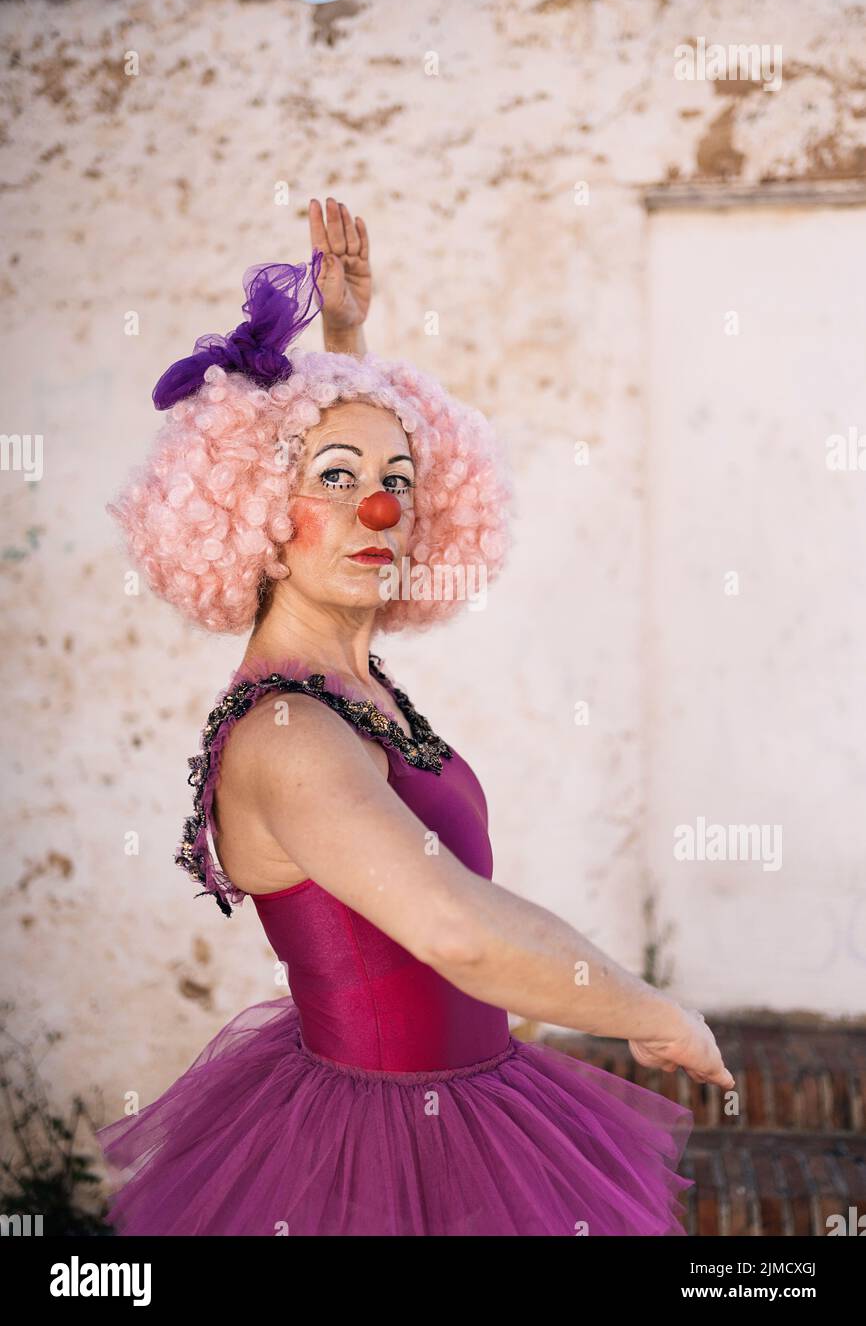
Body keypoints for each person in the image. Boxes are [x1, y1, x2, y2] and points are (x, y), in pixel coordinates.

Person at [95, 197, 733, 1236]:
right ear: (255, 512)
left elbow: (350, 450)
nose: (378, 510)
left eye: (398, 483)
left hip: (470, 1098)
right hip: (377, 1153)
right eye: (333, 482)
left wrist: (348, 349)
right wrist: (653, 1014)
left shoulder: (354, 686)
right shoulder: (288, 736)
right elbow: (453, 930)